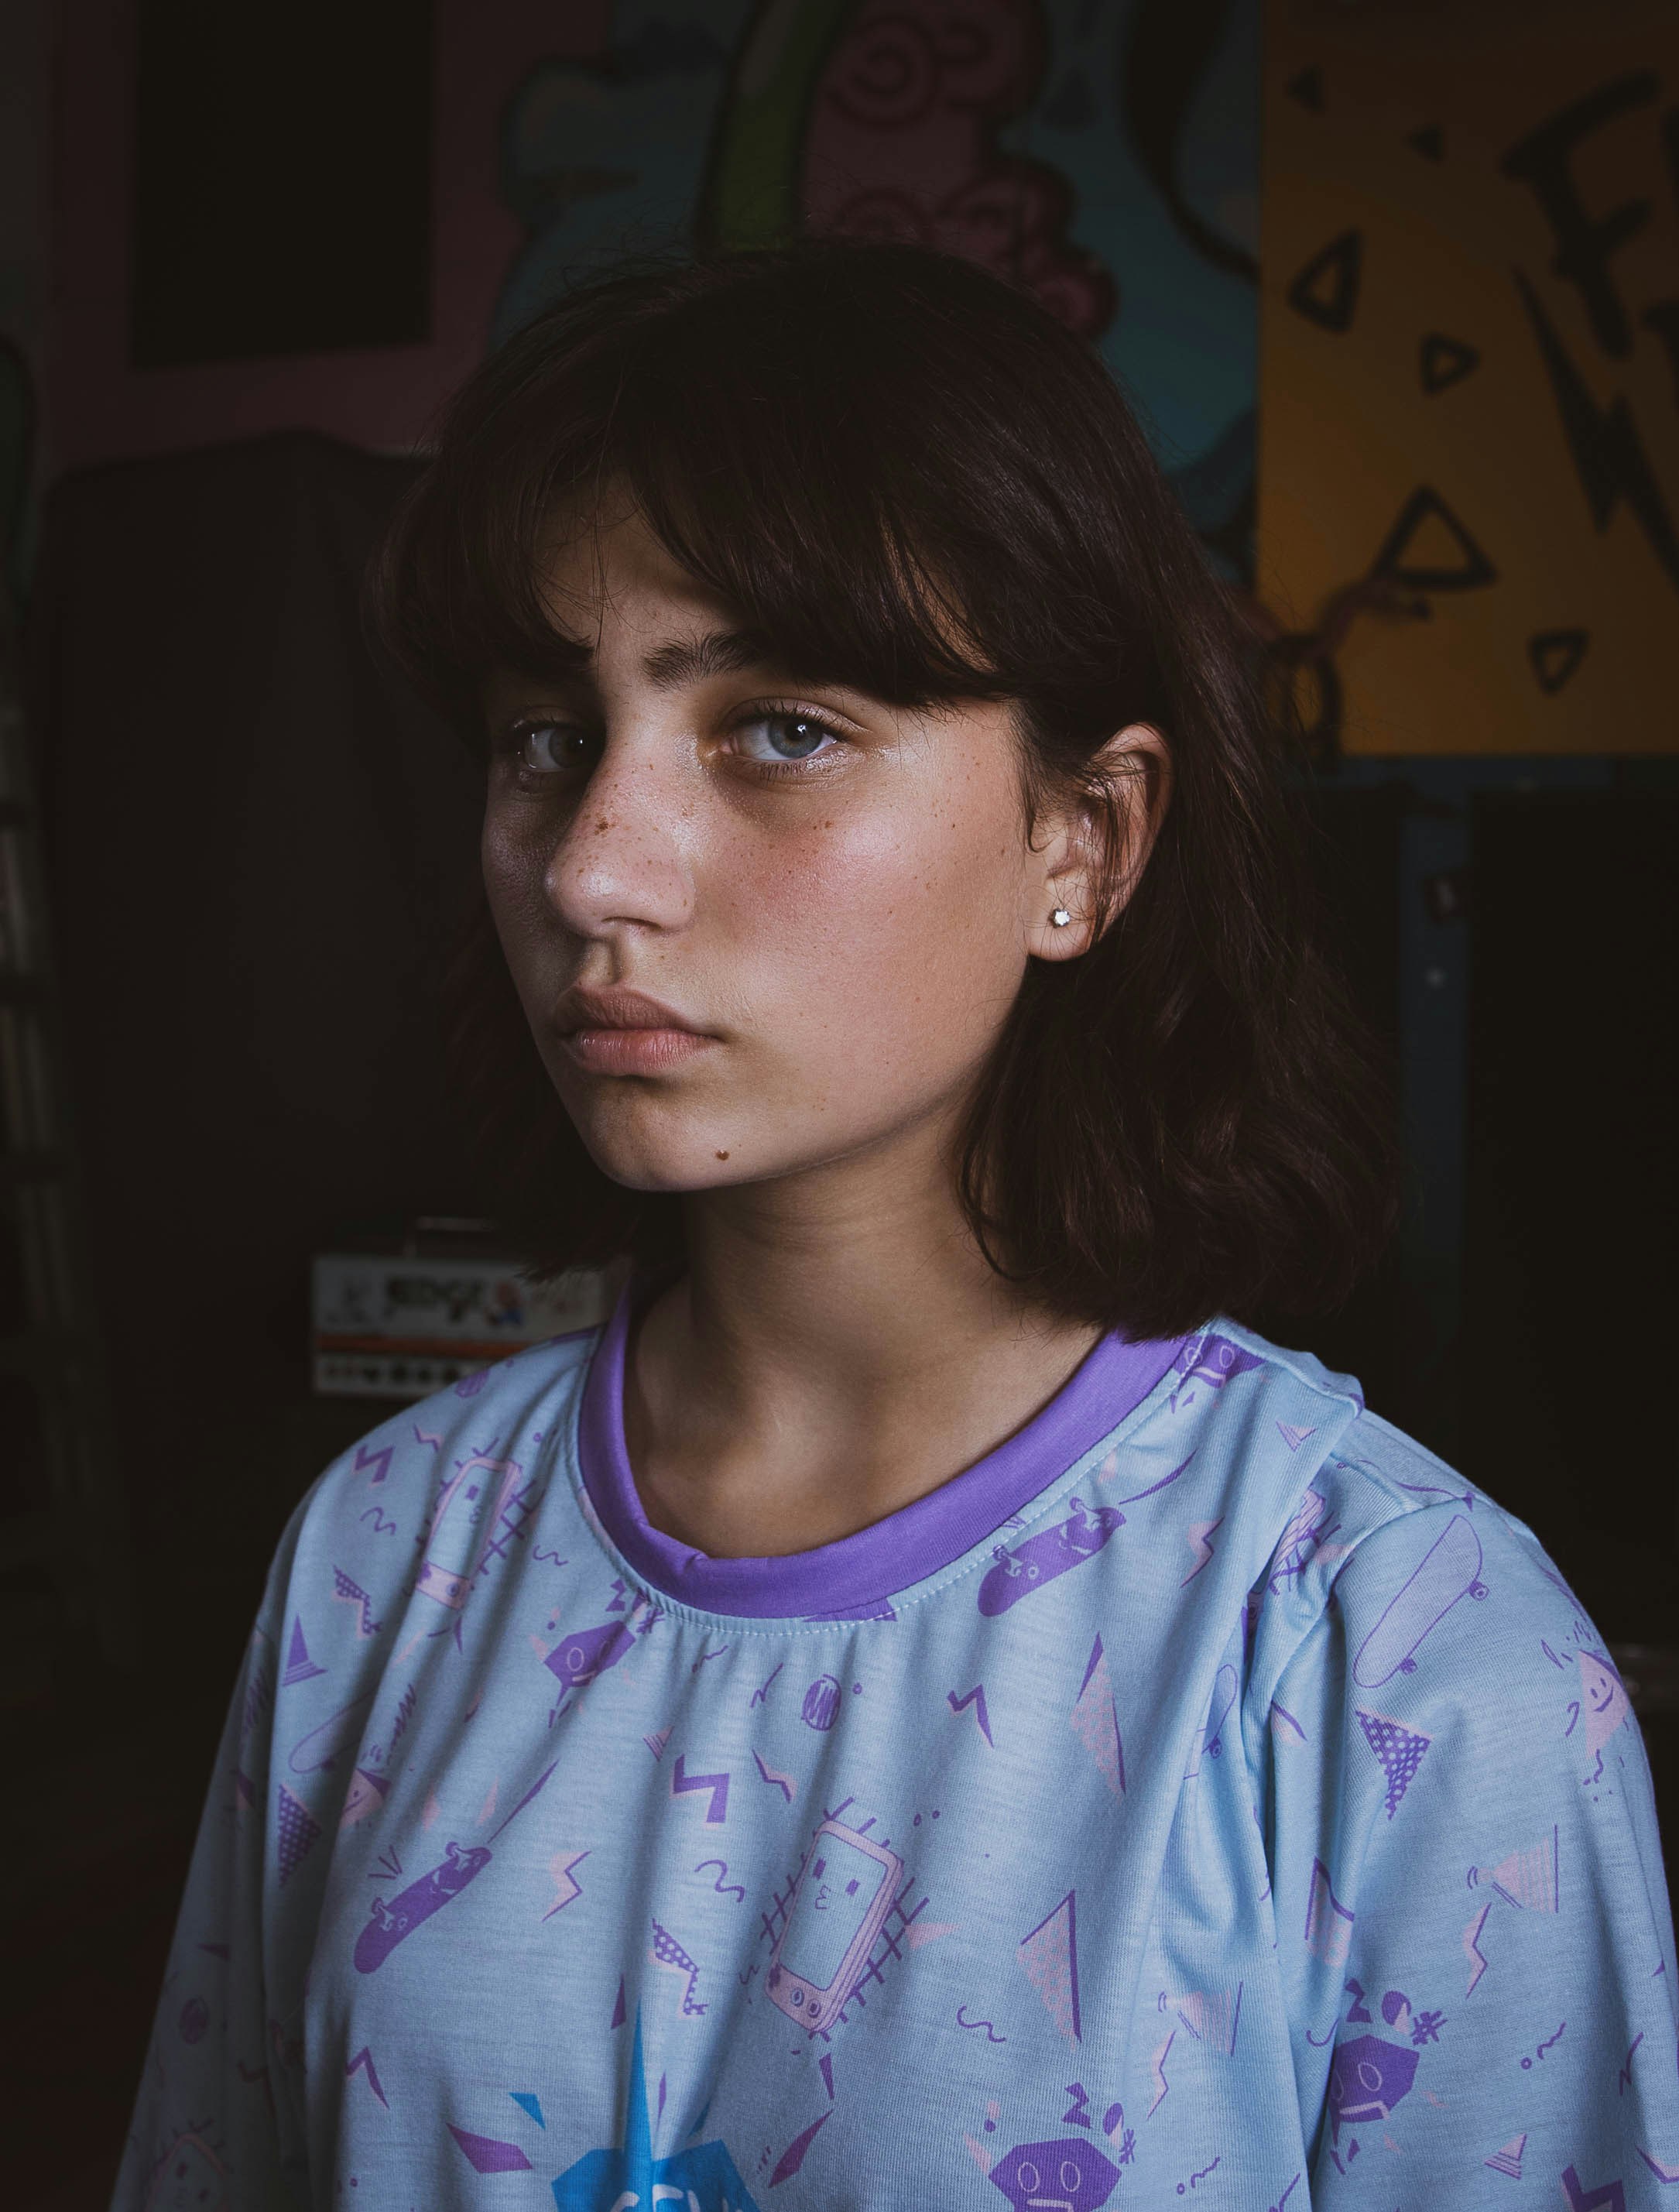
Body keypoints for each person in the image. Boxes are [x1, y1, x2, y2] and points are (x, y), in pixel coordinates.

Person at [113, 237, 1677, 2211]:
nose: (592, 865)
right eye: (543, 734)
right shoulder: (380, 1555)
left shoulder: (1396, 1651)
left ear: (1079, 841)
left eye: (779, 727)